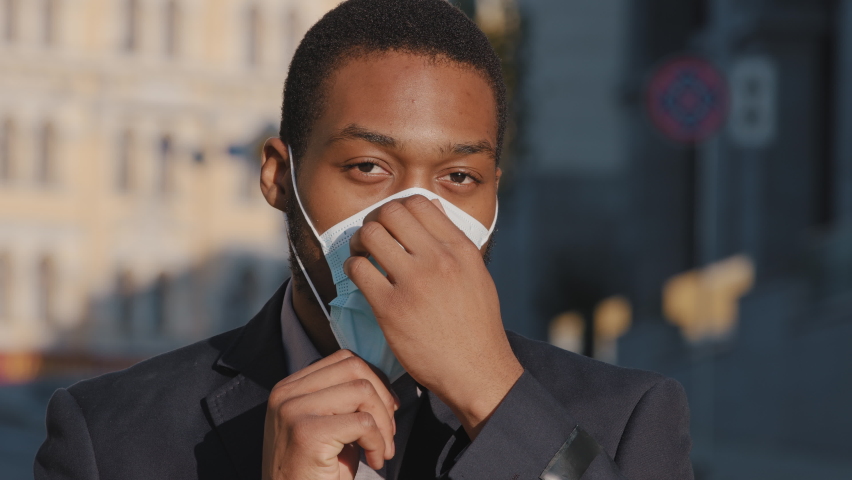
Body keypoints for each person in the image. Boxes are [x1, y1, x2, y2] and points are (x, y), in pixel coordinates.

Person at [34, 1, 693, 479]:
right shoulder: (110, 436)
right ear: (278, 177)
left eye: (458, 177)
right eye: (368, 169)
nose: (410, 218)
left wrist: (496, 398)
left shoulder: (623, 418)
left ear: (497, 189)